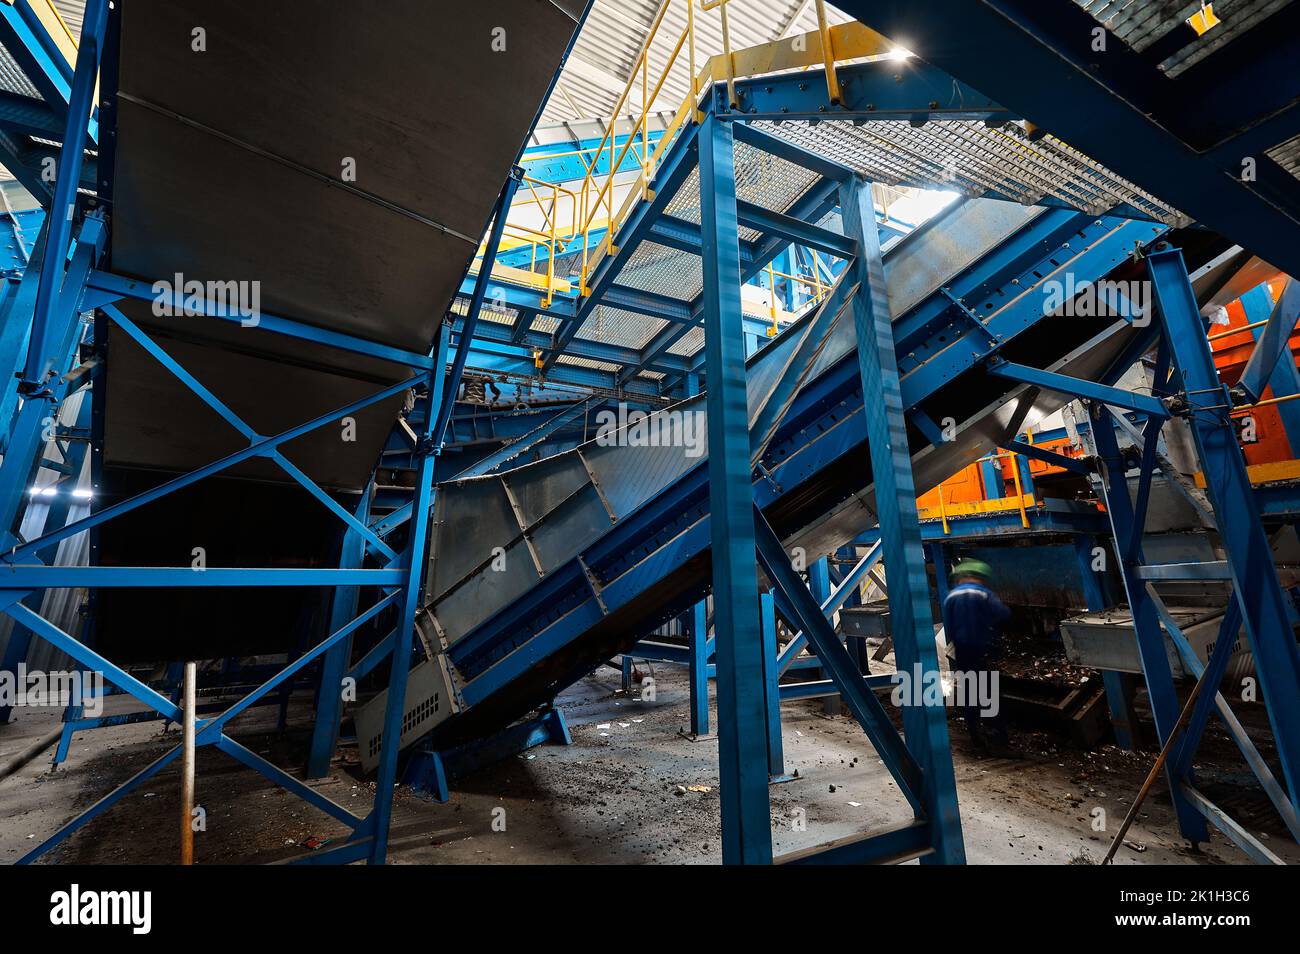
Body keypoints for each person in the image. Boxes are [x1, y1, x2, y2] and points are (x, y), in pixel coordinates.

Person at [941, 558, 1016, 758]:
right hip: (982, 649)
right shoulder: (983, 593)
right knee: (989, 693)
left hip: (963, 650)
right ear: (979, 577)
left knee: (969, 691)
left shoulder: (950, 597)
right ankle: (998, 737)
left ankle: (975, 735)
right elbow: (1004, 614)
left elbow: (947, 626)